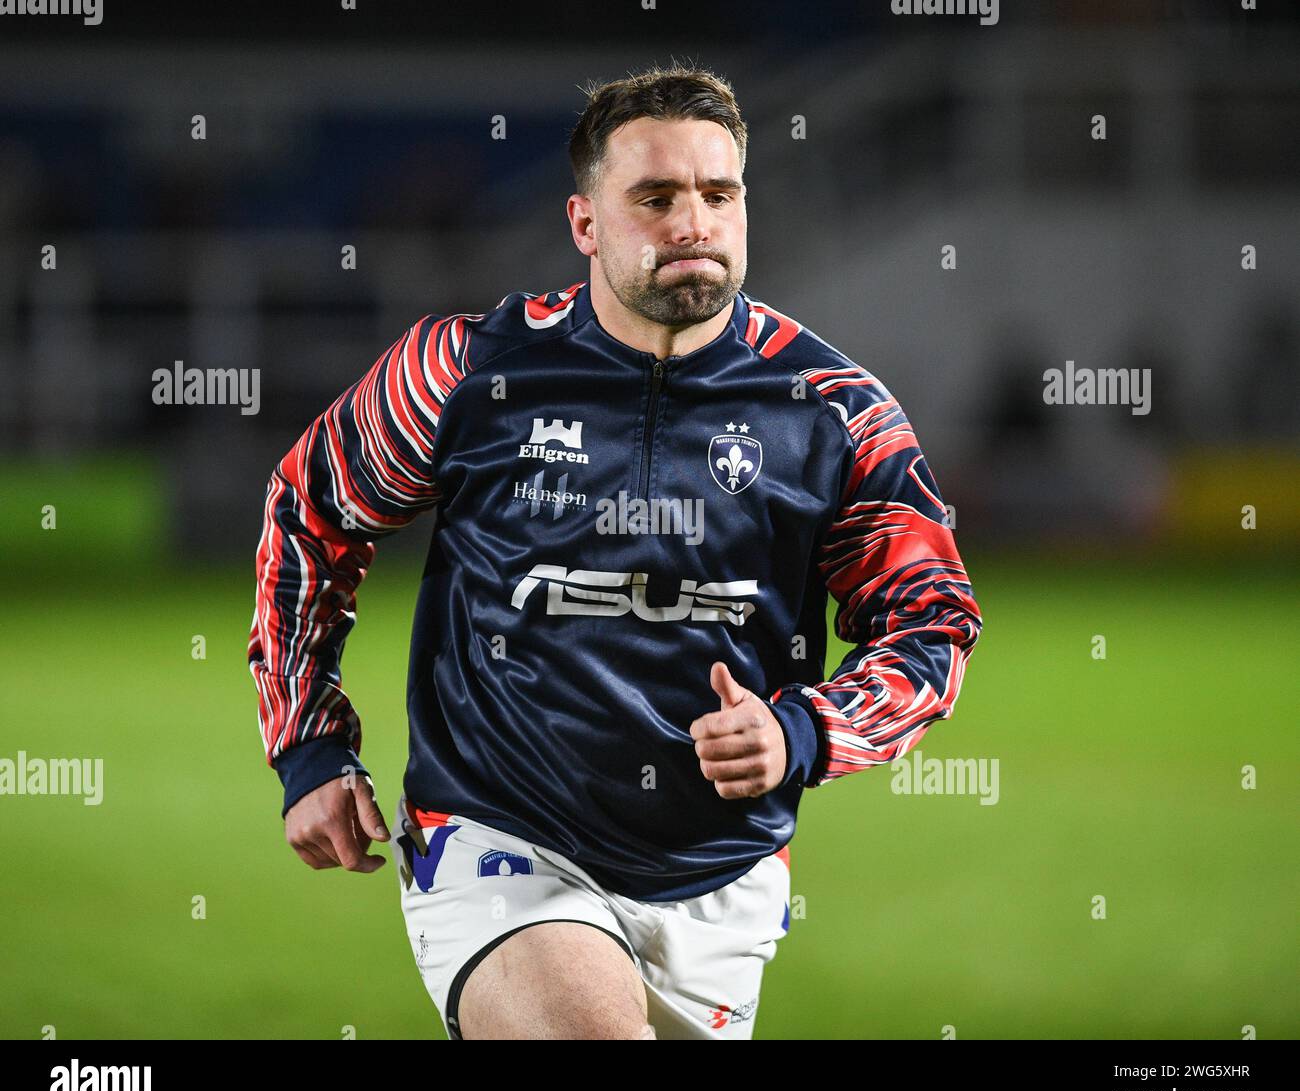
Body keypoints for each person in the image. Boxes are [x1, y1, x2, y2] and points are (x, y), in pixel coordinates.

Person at [248, 62, 982, 1040]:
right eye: (655, 196)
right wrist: (308, 740)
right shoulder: (465, 374)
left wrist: (802, 731)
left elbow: (931, 624)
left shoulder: (837, 415)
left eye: (718, 194)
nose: (693, 222)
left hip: (723, 887)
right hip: (499, 842)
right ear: (585, 223)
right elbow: (310, 509)